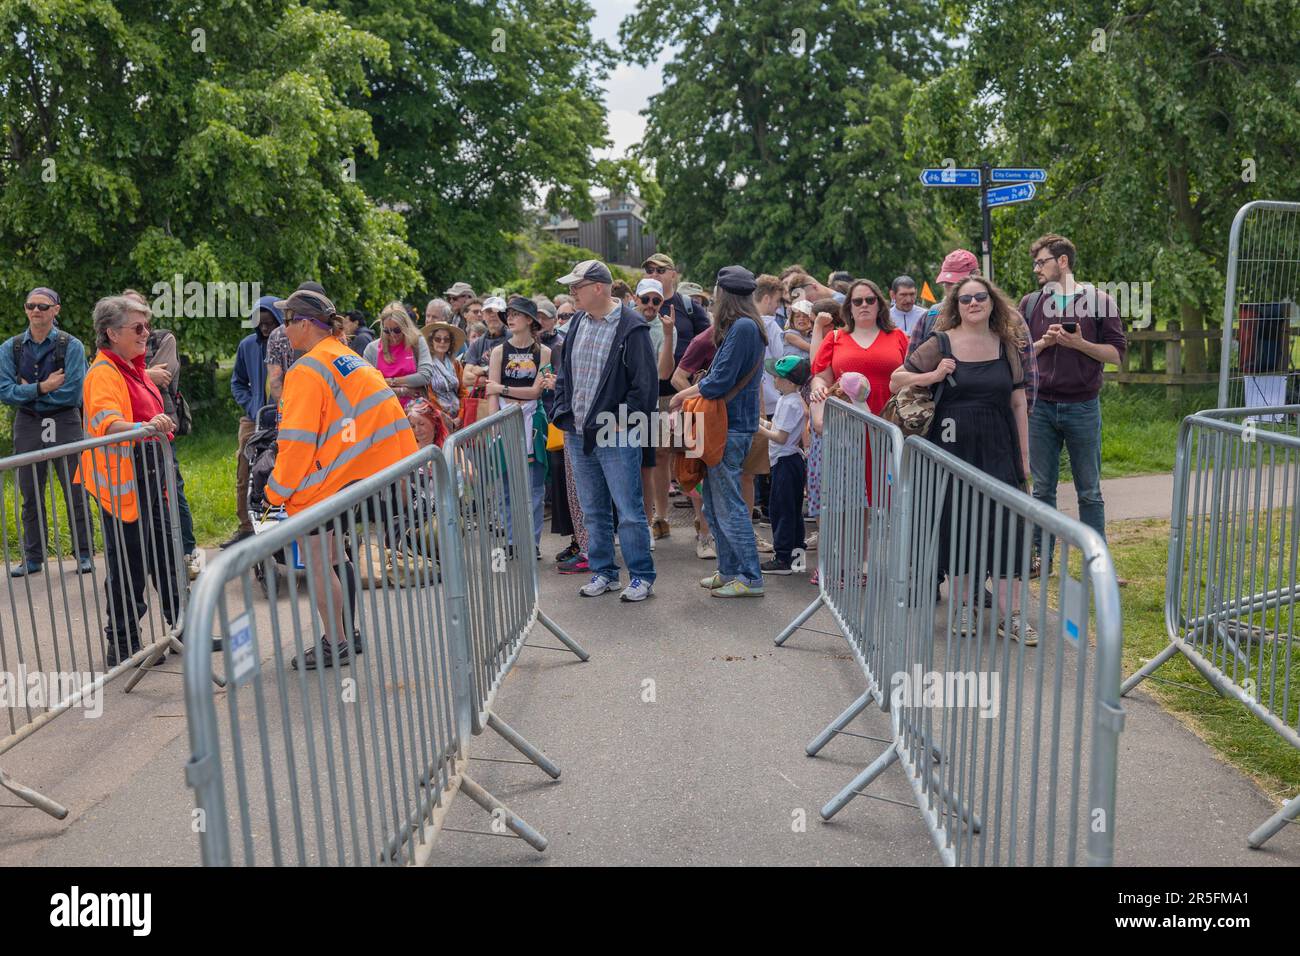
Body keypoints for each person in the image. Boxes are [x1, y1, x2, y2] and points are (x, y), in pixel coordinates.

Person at [266, 288, 418, 670]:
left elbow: (297, 442)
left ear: (303, 324)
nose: (284, 331)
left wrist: (275, 493)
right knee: (336, 557)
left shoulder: (306, 369)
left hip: (335, 480)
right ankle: (347, 635)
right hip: (371, 474)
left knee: (319, 562)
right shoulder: (347, 358)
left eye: (287, 322)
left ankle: (336, 644)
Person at [890, 275, 1036, 645]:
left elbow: (1018, 402)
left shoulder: (1006, 345)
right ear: (956, 305)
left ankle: (1012, 617)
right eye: (966, 298)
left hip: (999, 451)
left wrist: (1024, 458)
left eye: (980, 297)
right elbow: (896, 379)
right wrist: (934, 374)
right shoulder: (940, 343)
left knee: (1006, 530)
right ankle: (962, 607)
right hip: (951, 454)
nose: (974, 303)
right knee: (958, 528)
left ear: (992, 302)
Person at [81, 295, 183, 666]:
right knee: (130, 565)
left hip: (147, 476)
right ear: (111, 332)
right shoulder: (103, 373)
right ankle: (122, 645)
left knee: (165, 556)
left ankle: (184, 628)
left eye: (147, 326)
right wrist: (146, 426)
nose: (146, 334)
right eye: (137, 328)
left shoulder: (132, 367)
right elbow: (108, 423)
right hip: (123, 482)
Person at [551, 259, 658, 602]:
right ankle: (604, 572)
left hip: (616, 433)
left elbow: (644, 390)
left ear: (598, 287)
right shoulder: (578, 322)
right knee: (592, 509)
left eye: (576, 287)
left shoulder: (632, 328)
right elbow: (565, 374)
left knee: (628, 511)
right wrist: (562, 411)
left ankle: (640, 575)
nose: (572, 293)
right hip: (578, 432)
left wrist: (614, 421)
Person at [670, 266, 768, 598]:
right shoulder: (744, 326)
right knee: (714, 505)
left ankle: (750, 578)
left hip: (731, 427)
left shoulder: (742, 327)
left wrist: (682, 395)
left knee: (728, 506)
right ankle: (729, 572)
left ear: (722, 294)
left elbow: (719, 381)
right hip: (730, 425)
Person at [1022, 233, 1126, 545]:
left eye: (1042, 262)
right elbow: (1019, 353)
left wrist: (1080, 344)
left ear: (1063, 262)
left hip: (1083, 406)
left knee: (1089, 490)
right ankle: (1042, 557)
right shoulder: (1029, 304)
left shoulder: (1100, 302)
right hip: (1040, 407)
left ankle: (1098, 563)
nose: (1036, 269)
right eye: (1035, 263)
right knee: (1041, 489)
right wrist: (1046, 341)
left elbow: (1116, 355)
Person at [0, 286, 94, 576]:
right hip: (28, 422)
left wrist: (26, 390)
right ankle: (33, 558)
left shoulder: (72, 346)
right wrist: (42, 387)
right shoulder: (10, 348)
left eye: (43, 306)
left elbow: (72, 393)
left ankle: (84, 553)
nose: (36, 311)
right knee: (30, 492)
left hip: (65, 421)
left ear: (56, 310)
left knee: (75, 489)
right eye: (31, 306)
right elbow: (5, 392)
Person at [125, 289, 201, 580]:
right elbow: (141, 375)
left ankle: (188, 551)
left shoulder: (163, 337)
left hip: (161, 424)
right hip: (131, 427)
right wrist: (145, 374)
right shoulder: (116, 342)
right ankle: (152, 555)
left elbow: (163, 375)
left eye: (138, 307)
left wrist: (135, 374)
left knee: (172, 487)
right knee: (143, 492)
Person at [643, 253, 711, 542]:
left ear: (674, 274)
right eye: (649, 269)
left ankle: (700, 518)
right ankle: (661, 516)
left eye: (661, 269)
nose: (655, 273)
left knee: (691, 454)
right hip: (654, 395)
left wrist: (702, 378)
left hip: (685, 393)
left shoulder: (689, 307)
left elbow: (711, 343)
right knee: (658, 455)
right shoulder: (640, 304)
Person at [486, 296, 554, 553]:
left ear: (529, 320)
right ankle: (513, 540)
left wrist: (503, 388)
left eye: (516, 314)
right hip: (504, 420)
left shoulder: (544, 352)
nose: (510, 319)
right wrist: (494, 424)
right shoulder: (499, 351)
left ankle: (533, 542)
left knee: (534, 487)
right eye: (509, 314)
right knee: (505, 487)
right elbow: (491, 394)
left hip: (532, 422)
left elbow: (536, 392)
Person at [227, 295, 284, 548]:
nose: (264, 328)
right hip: (254, 418)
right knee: (245, 470)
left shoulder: (287, 344)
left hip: (285, 416)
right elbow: (237, 382)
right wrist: (252, 405)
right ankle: (246, 527)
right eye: (260, 323)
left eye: (270, 322)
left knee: (279, 467)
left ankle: (282, 523)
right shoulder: (247, 345)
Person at [757, 357, 810, 575]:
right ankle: (798, 556)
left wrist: (757, 428)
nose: (774, 379)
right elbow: (778, 428)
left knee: (783, 511)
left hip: (786, 462)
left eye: (777, 376)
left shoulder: (791, 403)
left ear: (789, 381)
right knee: (792, 510)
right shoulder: (788, 399)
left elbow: (780, 437)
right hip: (788, 461)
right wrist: (762, 422)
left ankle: (783, 558)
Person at [363, 302, 435, 409]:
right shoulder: (371, 349)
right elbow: (369, 384)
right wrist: (402, 391)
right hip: (384, 410)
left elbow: (425, 376)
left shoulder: (417, 342)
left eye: (397, 330)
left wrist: (389, 381)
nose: (392, 335)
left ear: (405, 326)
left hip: (414, 413)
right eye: (387, 331)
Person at [423, 320, 465, 421]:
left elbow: (463, 392)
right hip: (437, 417)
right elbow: (429, 395)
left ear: (450, 343)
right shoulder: (425, 365)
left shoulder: (456, 364)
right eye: (438, 339)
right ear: (431, 341)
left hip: (459, 416)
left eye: (446, 339)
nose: (442, 342)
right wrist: (444, 417)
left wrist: (461, 415)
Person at [461, 295, 508, 385]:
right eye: (489, 311)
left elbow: (513, 374)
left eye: (498, 311)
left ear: (505, 315)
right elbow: (466, 378)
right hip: (483, 397)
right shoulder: (477, 343)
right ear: (483, 315)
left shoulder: (513, 338)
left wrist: (484, 370)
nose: (493, 314)